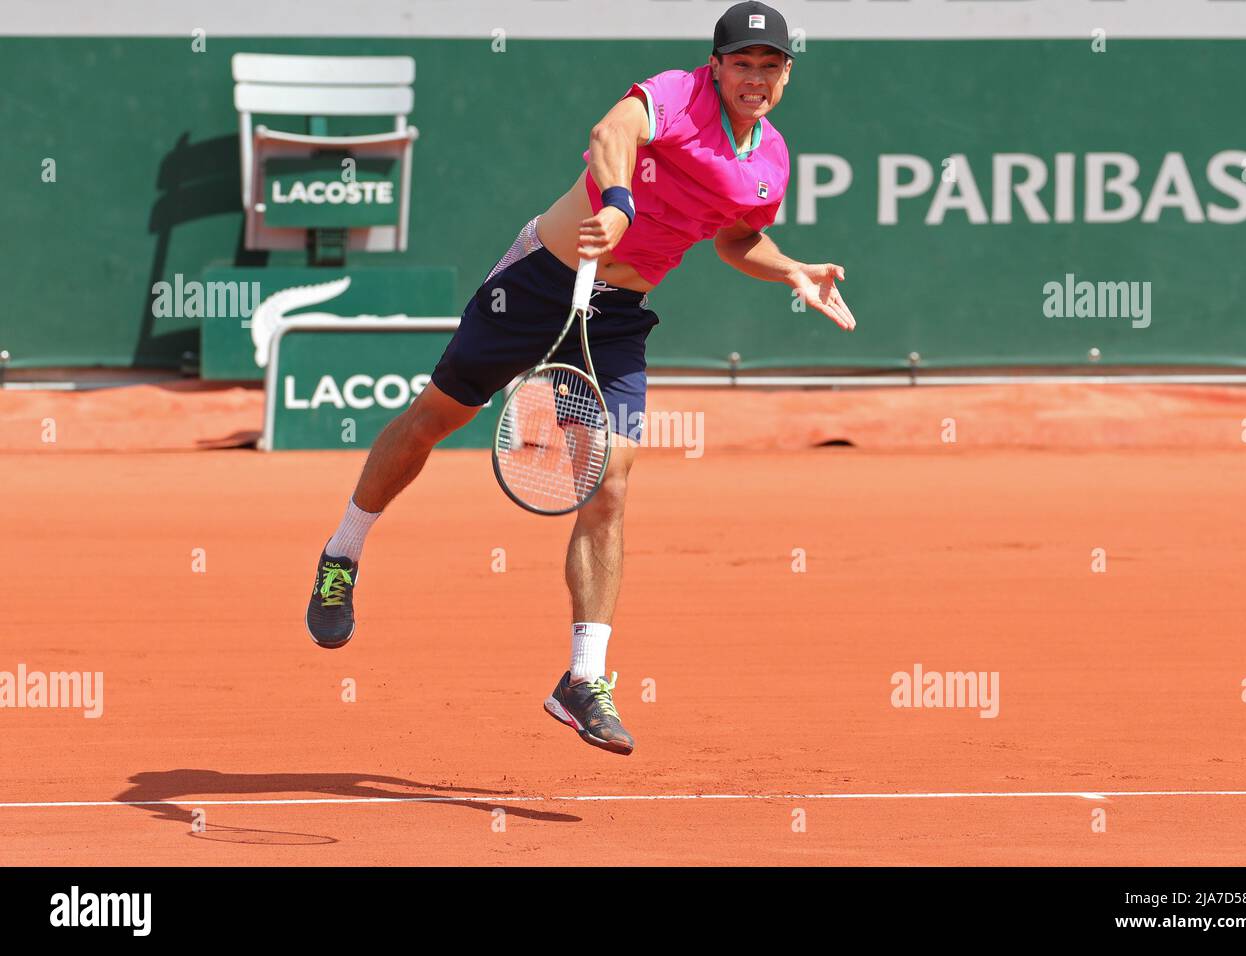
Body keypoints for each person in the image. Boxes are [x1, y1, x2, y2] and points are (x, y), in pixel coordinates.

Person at [305, 1, 855, 756]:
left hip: (618, 313)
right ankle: (343, 553)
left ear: (786, 73)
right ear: (717, 65)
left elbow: (734, 236)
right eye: (742, 64)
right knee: (436, 419)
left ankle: (582, 680)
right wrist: (622, 204)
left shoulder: (771, 162)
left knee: (611, 484)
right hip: (540, 280)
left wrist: (790, 269)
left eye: (770, 65)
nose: (754, 78)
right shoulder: (674, 94)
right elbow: (610, 136)